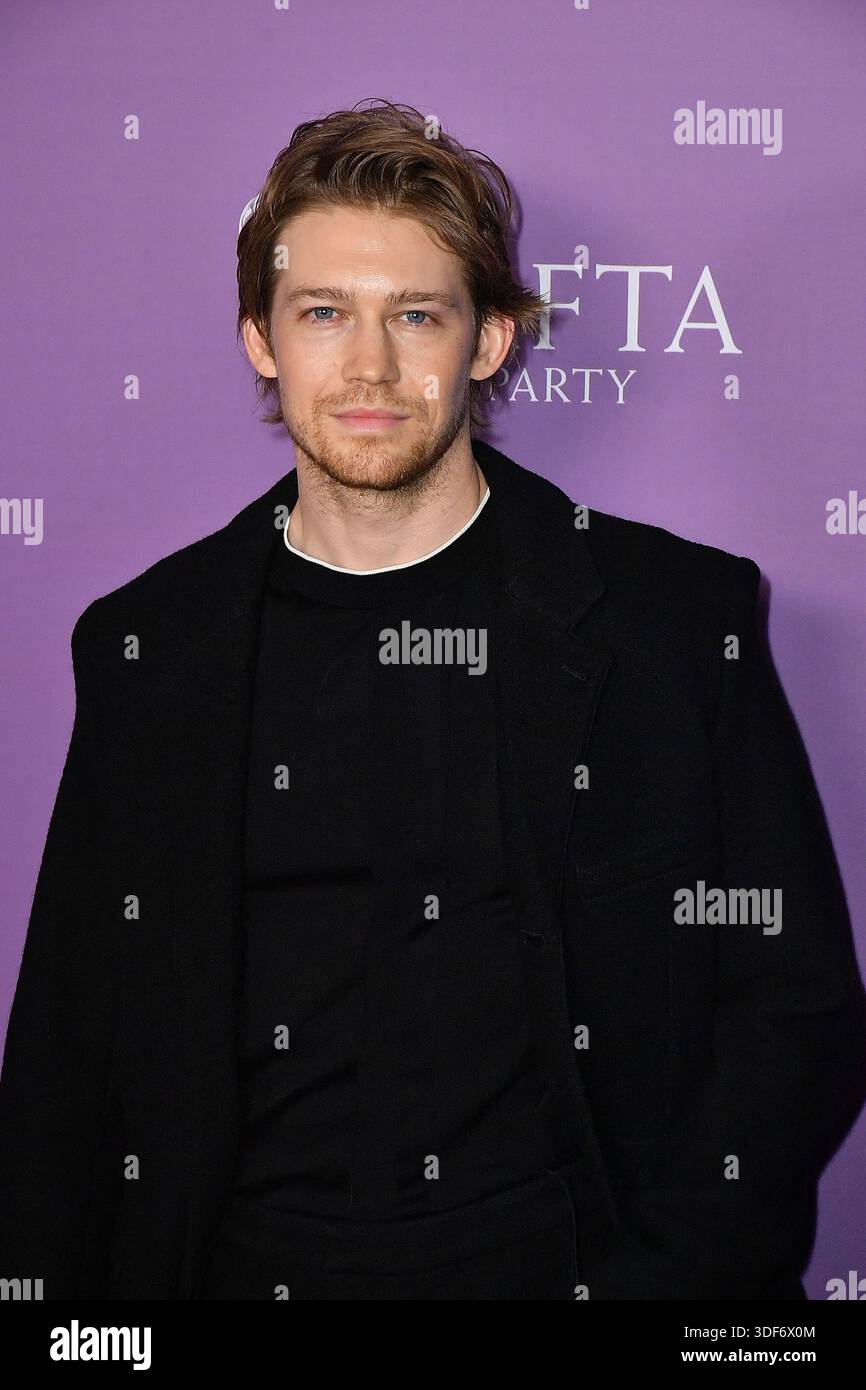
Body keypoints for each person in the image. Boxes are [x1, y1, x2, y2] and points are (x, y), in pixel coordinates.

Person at [2, 99, 865, 1301]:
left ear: (489, 341)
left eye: (415, 314)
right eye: (321, 315)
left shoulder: (672, 622)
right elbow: (67, 1055)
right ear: (260, 338)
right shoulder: (152, 646)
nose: (368, 368)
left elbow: (792, 1002)